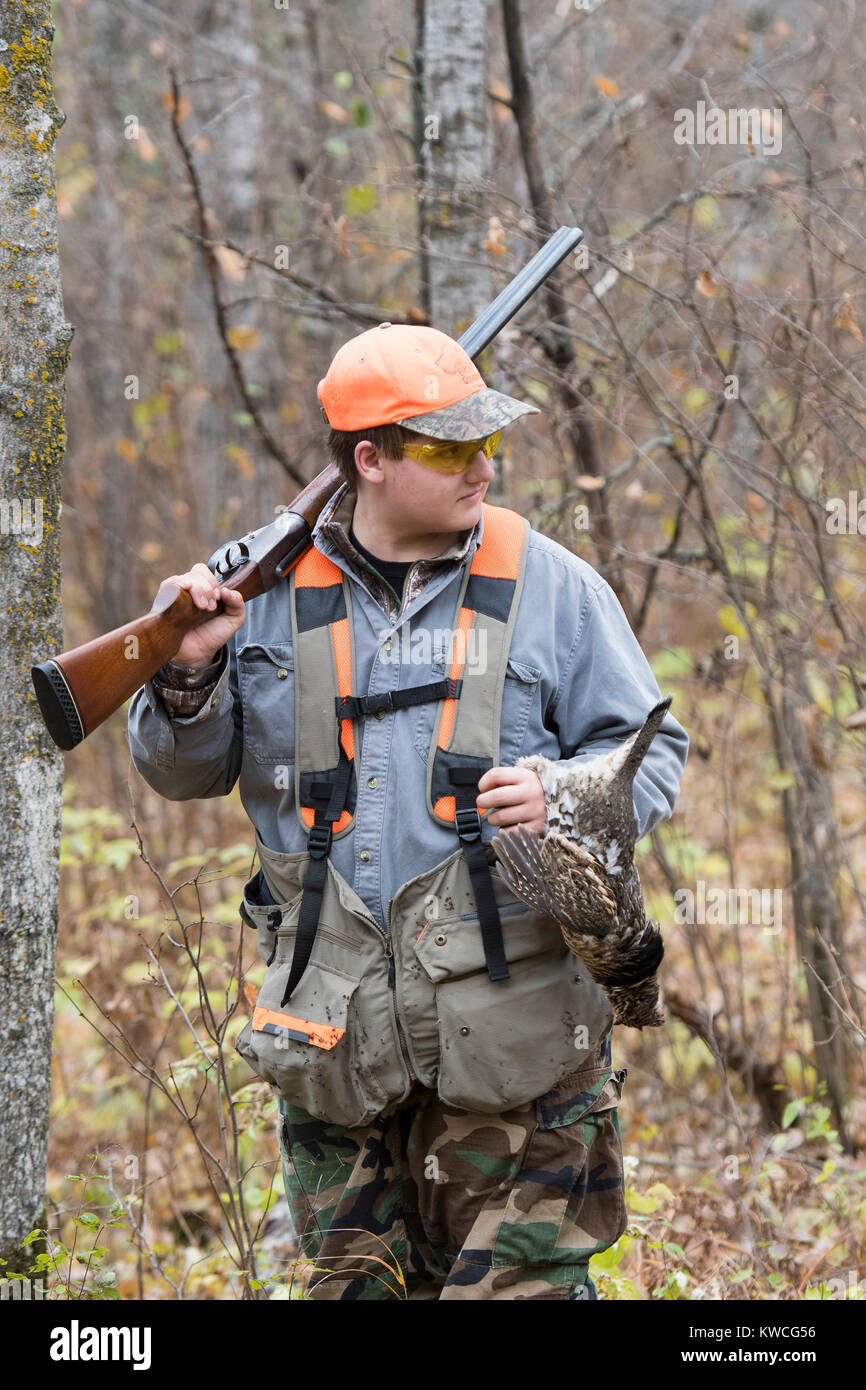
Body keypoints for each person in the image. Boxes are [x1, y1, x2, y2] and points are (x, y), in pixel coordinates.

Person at [128, 323, 689, 1301]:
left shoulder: (551, 586)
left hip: (514, 1052)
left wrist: (562, 797)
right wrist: (185, 671)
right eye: (448, 447)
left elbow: (653, 755)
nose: (482, 465)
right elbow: (183, 773)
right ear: (369, 460)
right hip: (333, 1044)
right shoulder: (252, 593)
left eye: (485, 442)